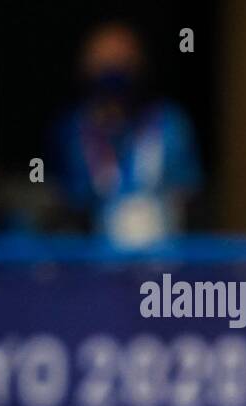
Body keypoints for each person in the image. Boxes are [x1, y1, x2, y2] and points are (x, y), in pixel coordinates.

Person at [51, 22, 202, 246]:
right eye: (104, 59)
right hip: (92, 259)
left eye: (122, 58)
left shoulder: (170, 122)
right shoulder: (71, 129)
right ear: (85, 65)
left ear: (140, 63)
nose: (114, 66)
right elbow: (64, 199)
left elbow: (189, 193)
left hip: (164, 256)